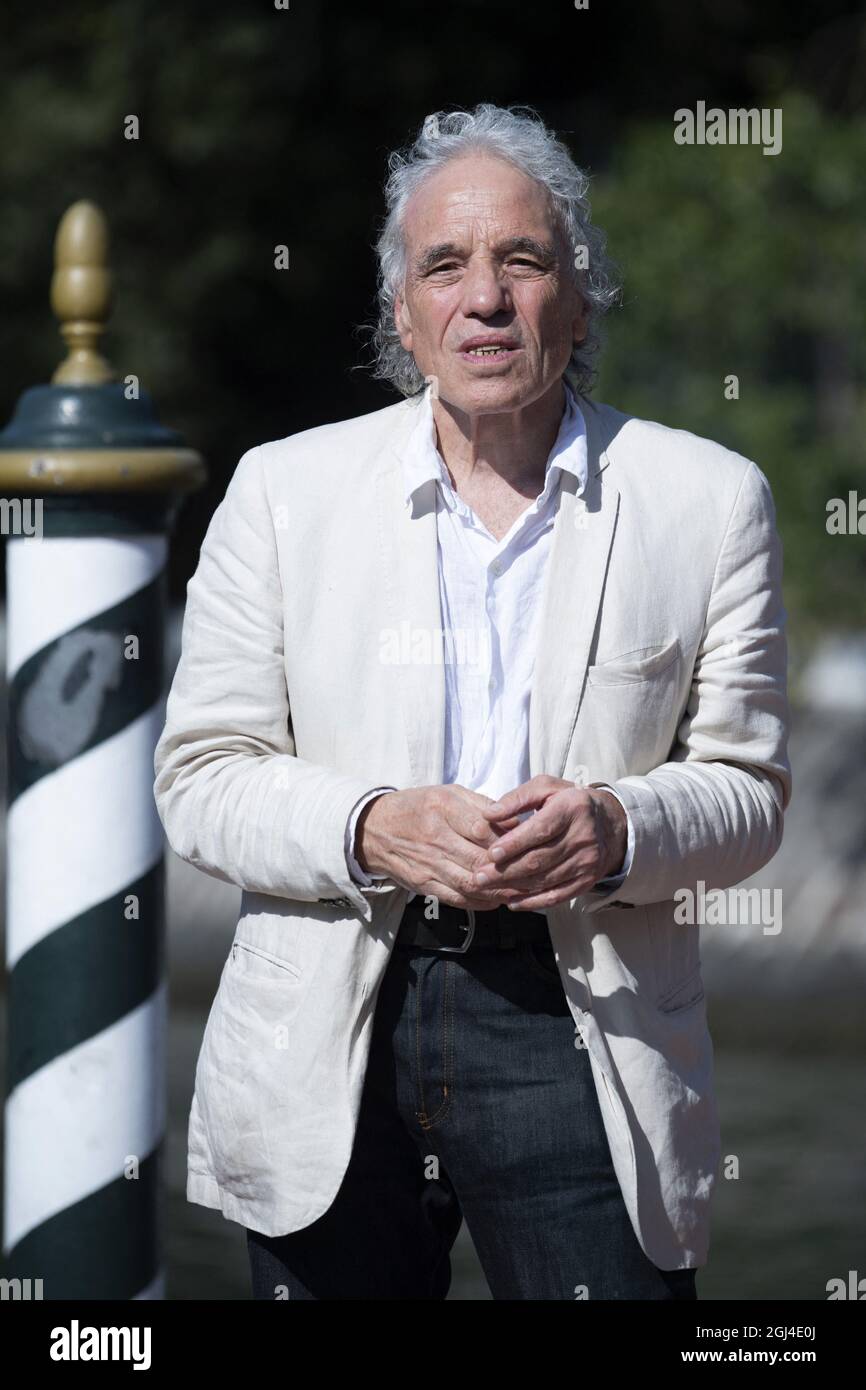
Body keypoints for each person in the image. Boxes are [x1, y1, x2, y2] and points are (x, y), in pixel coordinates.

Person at [153, 102, 791, 1300]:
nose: (484, 298)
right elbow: (199, 778)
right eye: (444, 266)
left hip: (583, 1019)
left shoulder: (707, 500)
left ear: (580, 296)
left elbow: (748, 790)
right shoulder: (281, 491)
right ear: (402, 312)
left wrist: (618, 826)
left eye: (522, 261)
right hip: (331, 1019)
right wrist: (367, 824)